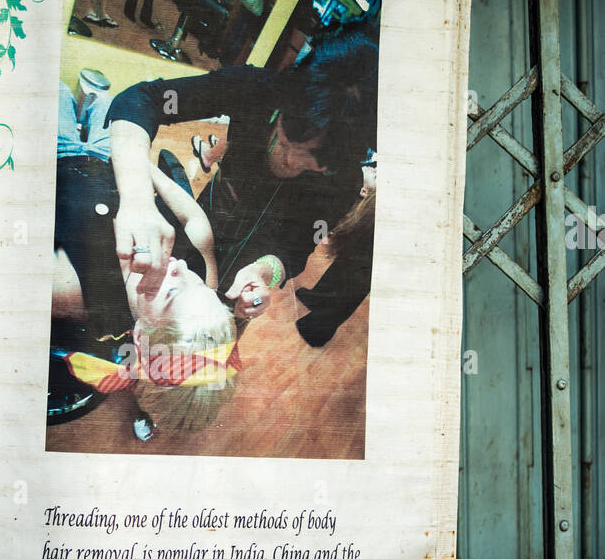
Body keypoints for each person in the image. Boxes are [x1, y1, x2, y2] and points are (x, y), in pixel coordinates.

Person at [105, 27, 379, 344]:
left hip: (236, 297)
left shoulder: (344, 181)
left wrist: (265, 274)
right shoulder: (255, 90)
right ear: (289, 95)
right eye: (289, 138)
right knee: (142, 324)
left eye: (315, 160)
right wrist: (137, 199)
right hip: (189, 243)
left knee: (200, 350)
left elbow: (297, 249)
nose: (291, 161)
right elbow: (143, 100)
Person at [51, 152, 283, 433]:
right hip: (113, 155)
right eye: (199, 285)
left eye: (172, 292)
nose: (182, 266)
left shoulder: (69, 291)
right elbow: (193, 218)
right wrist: (135, 164)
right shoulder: (202, 274)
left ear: (141, 334)